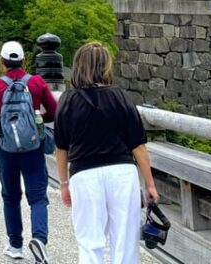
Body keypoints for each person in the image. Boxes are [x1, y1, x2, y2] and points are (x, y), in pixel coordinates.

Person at [54, 42, 158, 264]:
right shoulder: (121, 97)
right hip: (121, 172)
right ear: (105, 66)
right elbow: (138, 146)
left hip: (84, 174)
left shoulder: (67, 101)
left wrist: (64, 183)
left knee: (90, 242)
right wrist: (149, 184)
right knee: (125, 241)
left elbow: (61, 148)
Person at [0, 41, 57, 263]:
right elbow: (55, 111)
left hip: (6, 149)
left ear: (2, 61)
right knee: (38, 197)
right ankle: (40, 239)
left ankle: (15, 245)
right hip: (33, 147)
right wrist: (36, 120)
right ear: (24, 60)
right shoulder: (37, 83)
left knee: (10, 197)